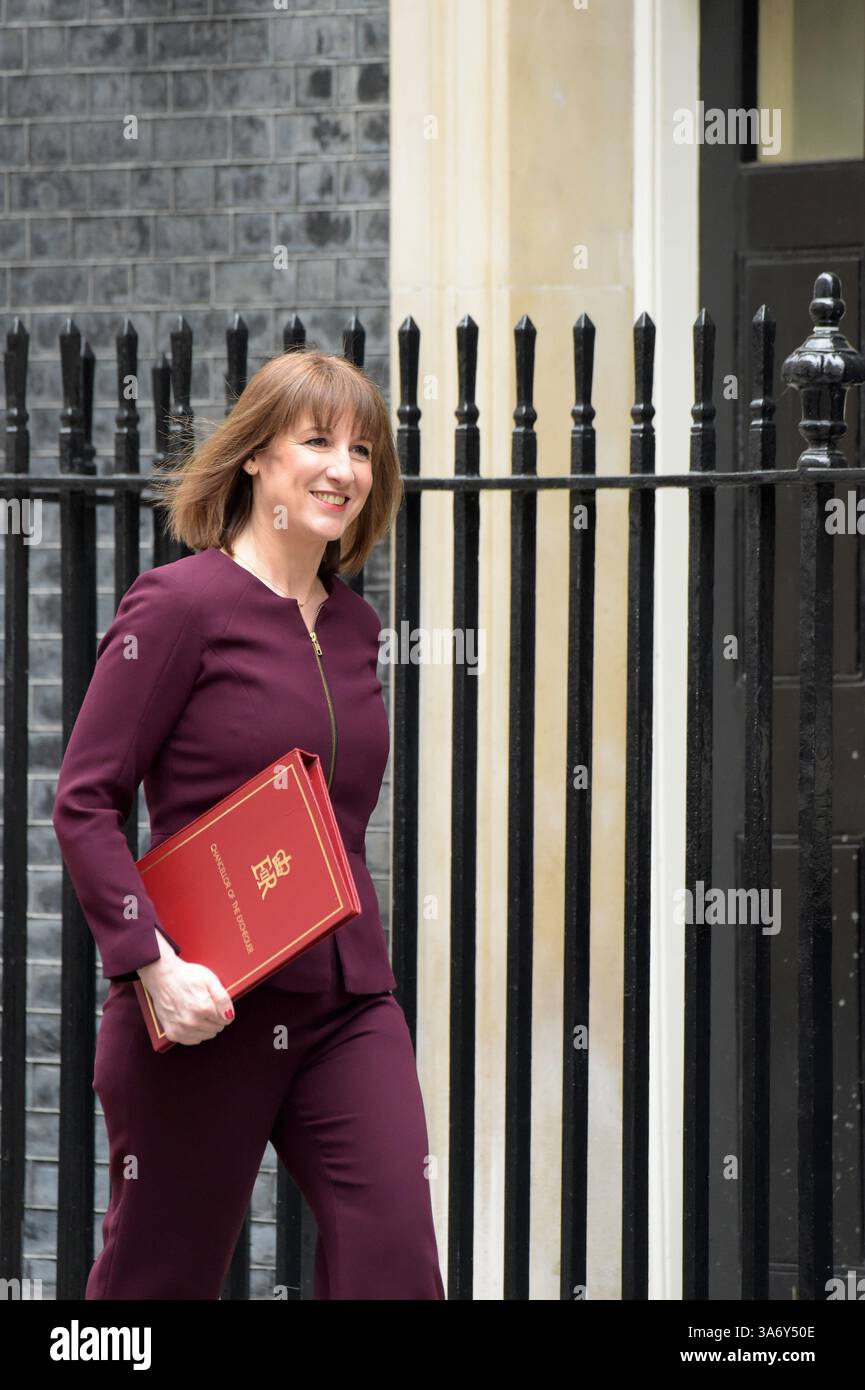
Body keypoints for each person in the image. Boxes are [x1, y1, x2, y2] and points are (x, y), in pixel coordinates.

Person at [51, 348, 446, 1301]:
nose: (343, 468)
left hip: (348, 1002)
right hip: (203, 1007)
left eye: (362, 449)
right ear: (256, 460)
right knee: (156, 1285)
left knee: (397, 1265)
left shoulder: (356, 627)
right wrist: (151, 963)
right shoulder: (181, 606)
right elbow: (84, 799)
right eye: (316, 441)